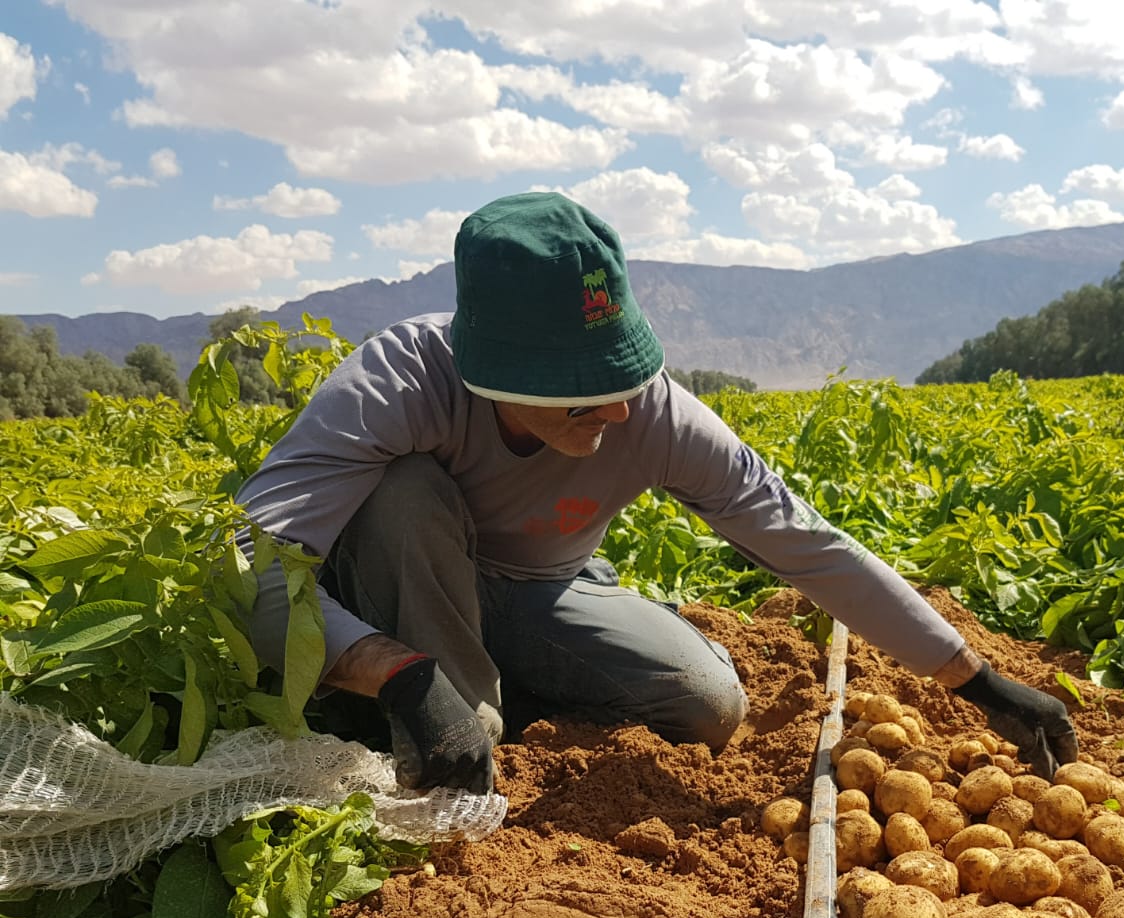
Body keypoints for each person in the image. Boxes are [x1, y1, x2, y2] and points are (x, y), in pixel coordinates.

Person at [236, 192, 1077, 795]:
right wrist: (398, 673)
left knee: (710, 706)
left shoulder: (656, 415)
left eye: (622, 375)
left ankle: (487, 690)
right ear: (486, 371)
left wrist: (976, 680)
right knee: (406, 493)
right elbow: (243, 563)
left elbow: (805, 542)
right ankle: (434, 731)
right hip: (397, 583)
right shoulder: (402, 382)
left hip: (539, 588)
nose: (614, 408)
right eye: (576, 388)